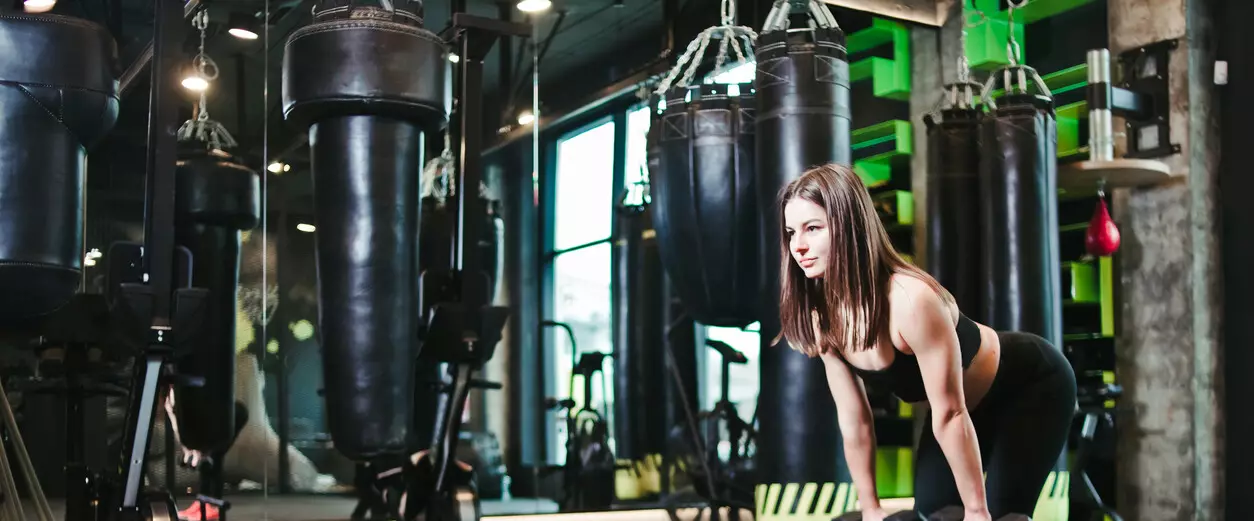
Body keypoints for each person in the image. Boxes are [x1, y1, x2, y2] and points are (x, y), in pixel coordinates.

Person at [773, 164, 1077, 521]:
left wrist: (977, 511)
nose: (799, 246)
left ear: (849, 228)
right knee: (934, 514)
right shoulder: (823, 317)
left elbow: (950, 414)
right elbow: (855, 419)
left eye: (813, 228)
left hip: (1029, 385)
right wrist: (870, 508)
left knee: (999, 515)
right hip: (958, 409)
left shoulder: (910, 300)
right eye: (792, 232)